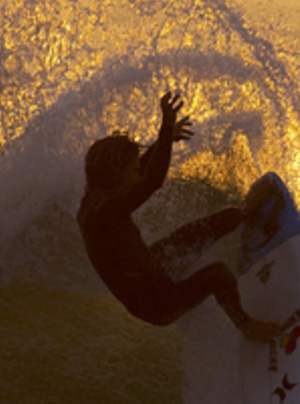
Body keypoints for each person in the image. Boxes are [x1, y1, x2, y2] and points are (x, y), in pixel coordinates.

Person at [78, 91, 282, 342]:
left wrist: (165, 140)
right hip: (157, 303)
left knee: (201, 229)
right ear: (116, 173)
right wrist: (165, 128)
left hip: (151, 268)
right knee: (218, 274)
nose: (136, 174)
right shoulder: (101, 213)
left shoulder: (102, 192)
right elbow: (152, 181)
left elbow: (142, 169)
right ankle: (247, 326)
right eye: (131, 170)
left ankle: (246, 213)